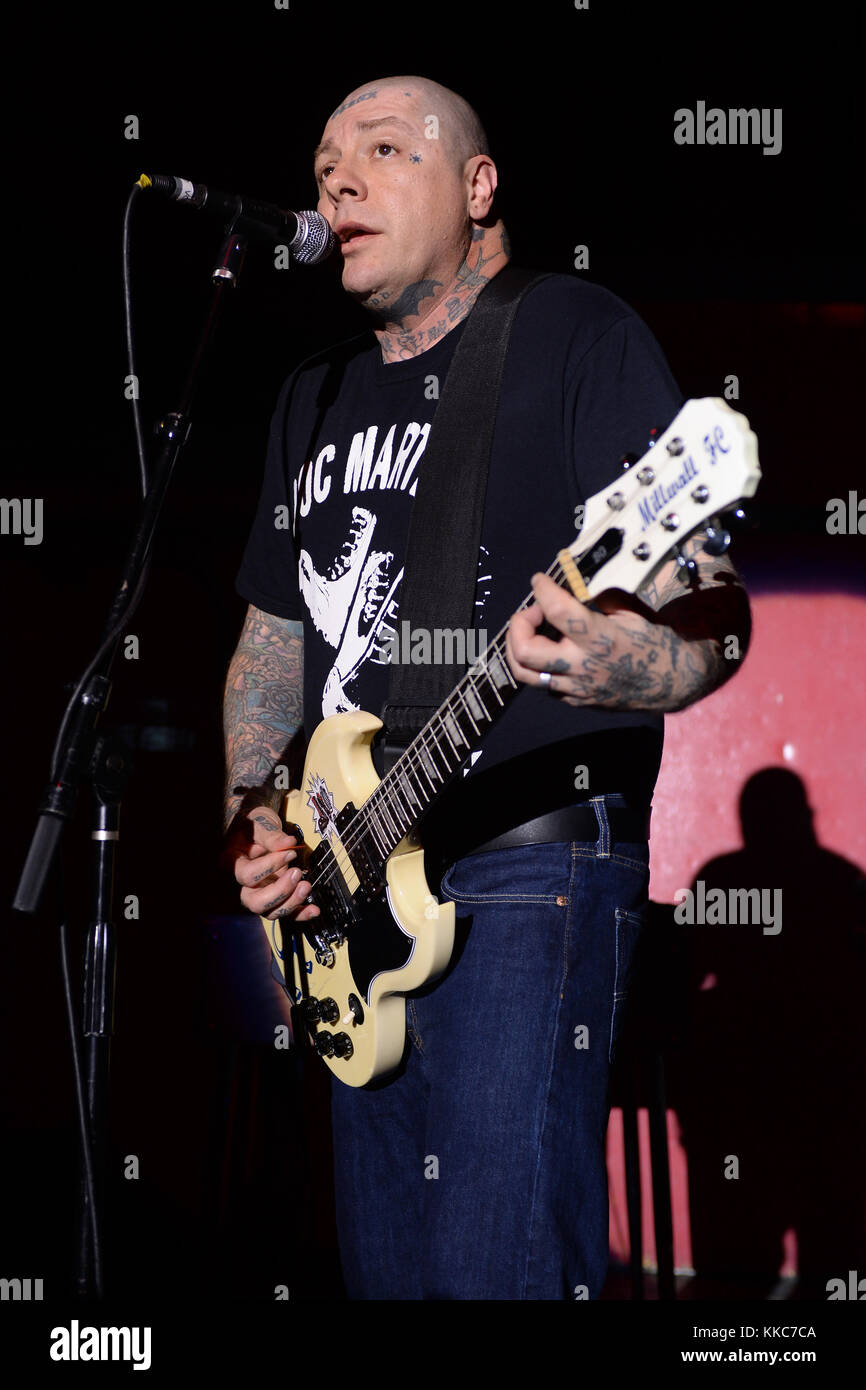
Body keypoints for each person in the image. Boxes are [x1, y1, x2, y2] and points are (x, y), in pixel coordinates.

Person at [222, 75, 751, 1300]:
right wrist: (254, 810)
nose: (336, 180)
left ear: (477, 186)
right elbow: (269, 644)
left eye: (380, 150)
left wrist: (643, 662)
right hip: (350, 888)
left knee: (493, 1267)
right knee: (389, 1275)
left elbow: (711, 605)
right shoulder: (312, 392)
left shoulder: (572, 330)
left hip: (525, 858)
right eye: (322, 164)